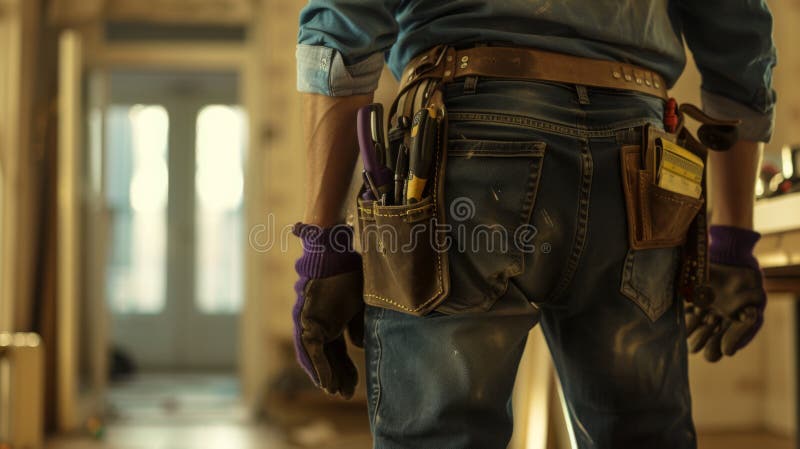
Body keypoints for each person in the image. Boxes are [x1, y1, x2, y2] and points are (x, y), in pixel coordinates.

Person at [290, 2, 776, 448]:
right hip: (639, 161)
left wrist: (324, 244)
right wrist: (732, 235)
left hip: (465, 140)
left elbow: (344, 26)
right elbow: (739, 37)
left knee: (441, 439)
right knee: (644, 435)